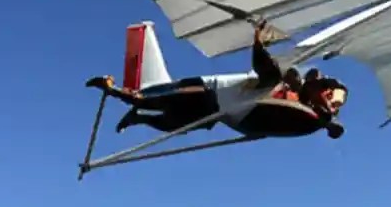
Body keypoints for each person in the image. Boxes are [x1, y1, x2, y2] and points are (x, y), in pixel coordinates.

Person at [86, 19, 348, 138]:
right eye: (329, 94)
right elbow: (265, 66)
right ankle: (110, 88)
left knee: (175, 126)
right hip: (209, 91)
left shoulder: (304, 112)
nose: (330, 103)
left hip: (220, 112)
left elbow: (304, 116)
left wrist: (326, 119)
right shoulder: (280, 84)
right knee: (147, 98)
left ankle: (138, 117)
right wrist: (258, 38)